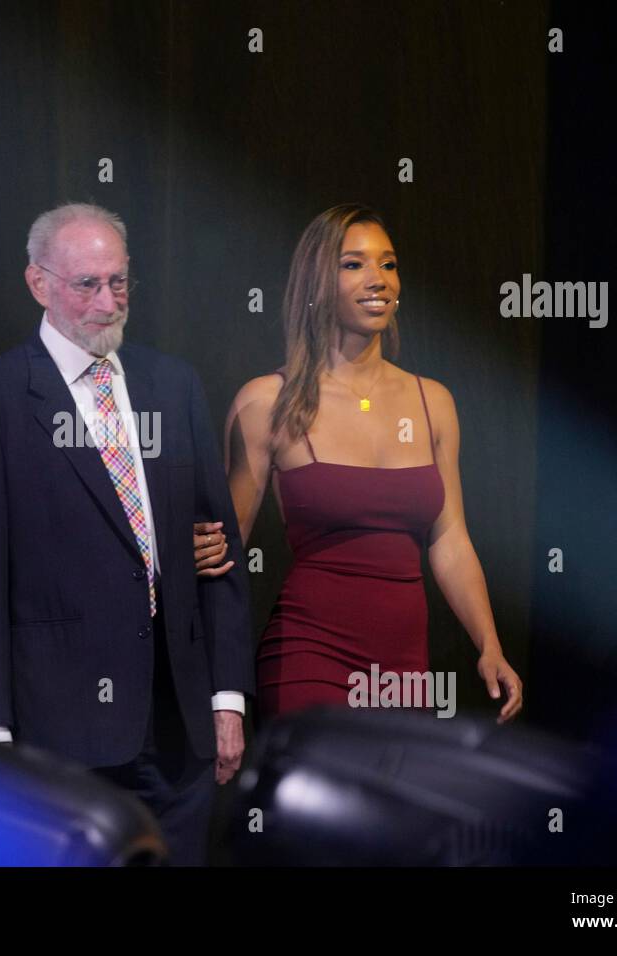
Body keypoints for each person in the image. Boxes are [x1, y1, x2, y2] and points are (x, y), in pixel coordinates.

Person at [0, 202, 255, 865]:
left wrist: (227, 697)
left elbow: (217, 547)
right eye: (88, 284)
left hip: (179, 733)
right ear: (38, 283)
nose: (108, 302)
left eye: (120, 281)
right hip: (56, 736)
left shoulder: (173, 385)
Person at [192, 203, 523, 723]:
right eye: (354, 264)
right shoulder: (266, 402)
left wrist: (490, 644)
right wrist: (221, 693)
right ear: (316, 282)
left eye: (387, 264)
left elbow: (451, 540)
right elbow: (224, 550)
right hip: (307, 662)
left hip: (403, 676)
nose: (378, 279)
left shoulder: (433, 401)